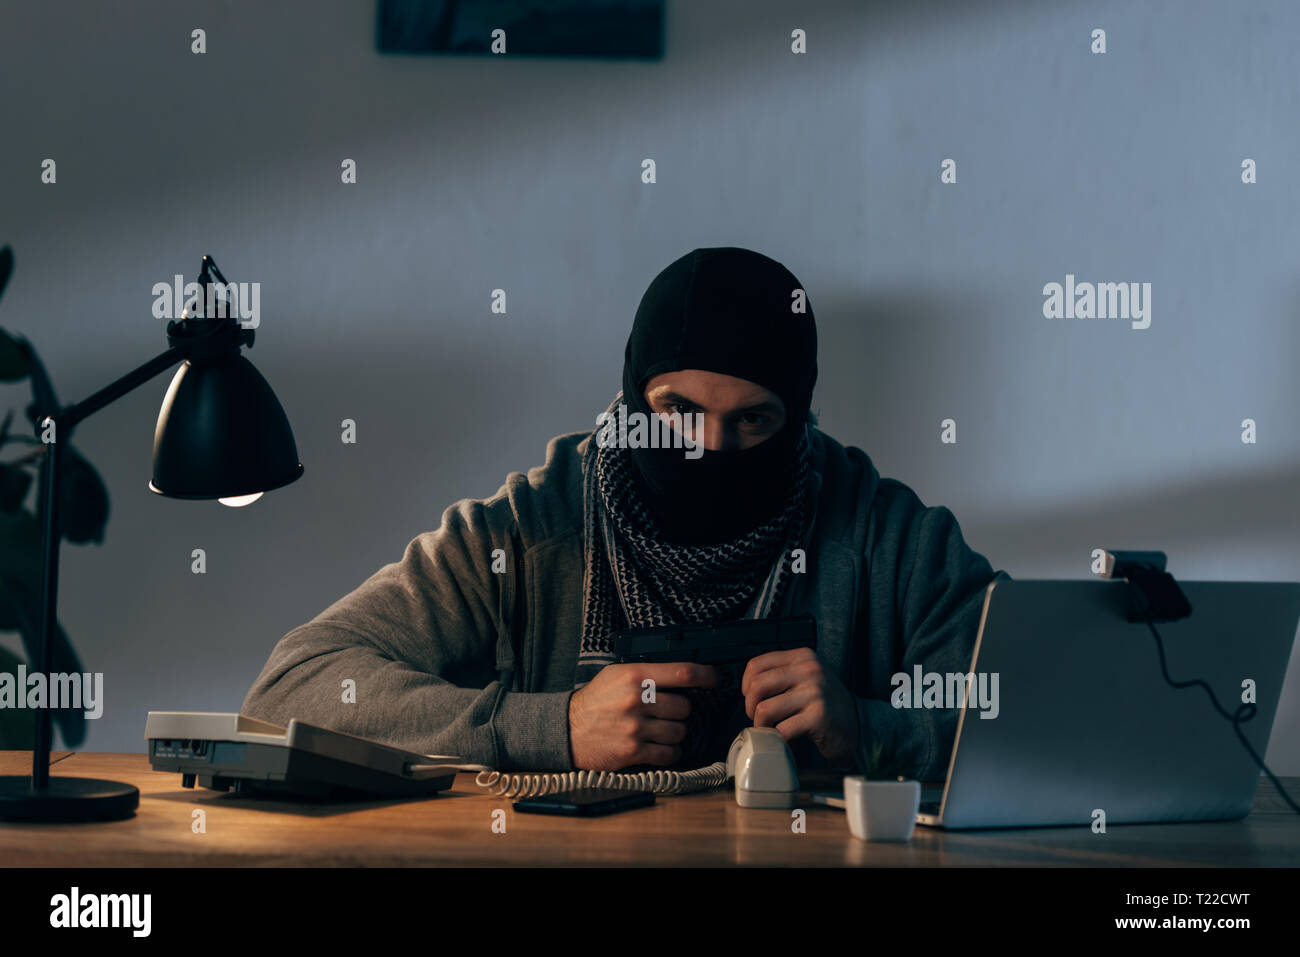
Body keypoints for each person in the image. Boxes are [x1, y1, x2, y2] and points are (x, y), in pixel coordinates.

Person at [241, 247, 1009, 780]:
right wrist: (557, 726)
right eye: (677, 411)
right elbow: (292, 688)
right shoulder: (526, 531)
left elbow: (1030, 707)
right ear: (634, 391)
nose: (709, 448)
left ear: (799, 418)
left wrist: (863, 726)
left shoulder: (886, 534)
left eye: (753, 420)